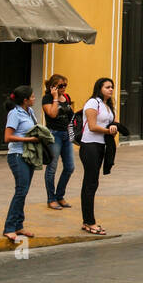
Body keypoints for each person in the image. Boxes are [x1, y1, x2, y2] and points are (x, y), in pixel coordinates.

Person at [79, 77, 119, 236]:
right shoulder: (92, 103)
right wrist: (109, 131)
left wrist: (114, 126)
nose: (111, 89)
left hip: (101, 146)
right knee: (90, 183)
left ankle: (87, 220)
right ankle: (89, 221)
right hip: (90, 146)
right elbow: (93, 126)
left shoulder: (107, 105)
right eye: (107, 87)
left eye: (112, 87)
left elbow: (112, 122)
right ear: (99, 88)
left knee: (92, 183)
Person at [2, 85, 41, 242]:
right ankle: (9, 227)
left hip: (29, 155)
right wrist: (29, 139)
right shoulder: (14, 113)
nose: (34, 99)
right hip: (17, 155)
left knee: (24, 191)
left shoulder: (30, 112)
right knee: (21, 190)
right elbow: (7, 137)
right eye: (32, 97)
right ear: (25, 100)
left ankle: (19, 225)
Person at [41, 73, 76, 210]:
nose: (63, 88)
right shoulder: (47, 99)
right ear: (53, 87)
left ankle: (60, 195)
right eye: (61, 86)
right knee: (52, 168)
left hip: (66, 135)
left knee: (70, 167)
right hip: (54, 135)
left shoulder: (66, 97)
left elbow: (71, 116)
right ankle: (51, 198)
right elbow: (52, 114)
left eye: (65, 85)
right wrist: (55, 98)